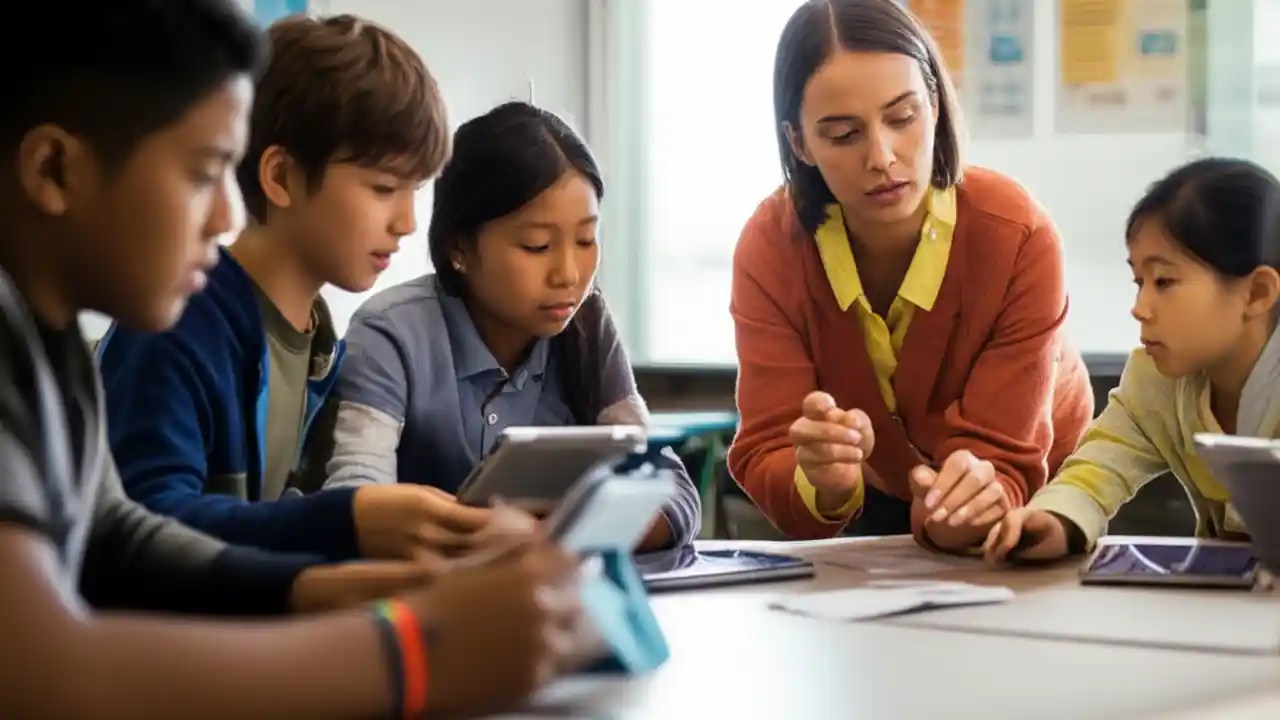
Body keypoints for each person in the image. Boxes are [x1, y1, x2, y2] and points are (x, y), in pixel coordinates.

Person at [0, 2, 591, 716]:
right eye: (202, 174)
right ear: (54, 169)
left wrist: (358, 591)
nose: (225, 215)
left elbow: (118, 537)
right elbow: (40, 674)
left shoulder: (46, 341)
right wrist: (415, 650)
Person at [96, 13, 491, 564]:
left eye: (415, 190)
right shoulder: (178, 323)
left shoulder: (321, 345)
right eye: (383, 188)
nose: (406, 221)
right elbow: (146, 524)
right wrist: (347, 519)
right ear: (280, 178)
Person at [728, 0, 1092, 550]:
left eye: (903, 118)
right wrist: (824, 483)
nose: (883, 157)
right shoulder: (771, 247)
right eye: (843, 135)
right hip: (878, 493)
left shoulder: (1016, 235)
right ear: (799, 143)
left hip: (1037, 485)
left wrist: (967, 503)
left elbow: (1006, 463)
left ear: (937, 104)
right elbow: (769, 447)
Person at [310, 101, 701, 551]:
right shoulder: (391, 333)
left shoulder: (587, 328)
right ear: (459, 248)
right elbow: (356, 498)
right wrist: (494, 532)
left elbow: (674, 494)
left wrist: (553, 530)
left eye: (586, 240)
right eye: (537, 245)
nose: (569, 274)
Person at [985, 158, 1280, 565]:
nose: (1139, 308)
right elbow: (1101, 463)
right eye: (1139, 282)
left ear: (1257, 293)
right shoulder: (1156, 381)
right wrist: (1055, 519)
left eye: (1164, 282)